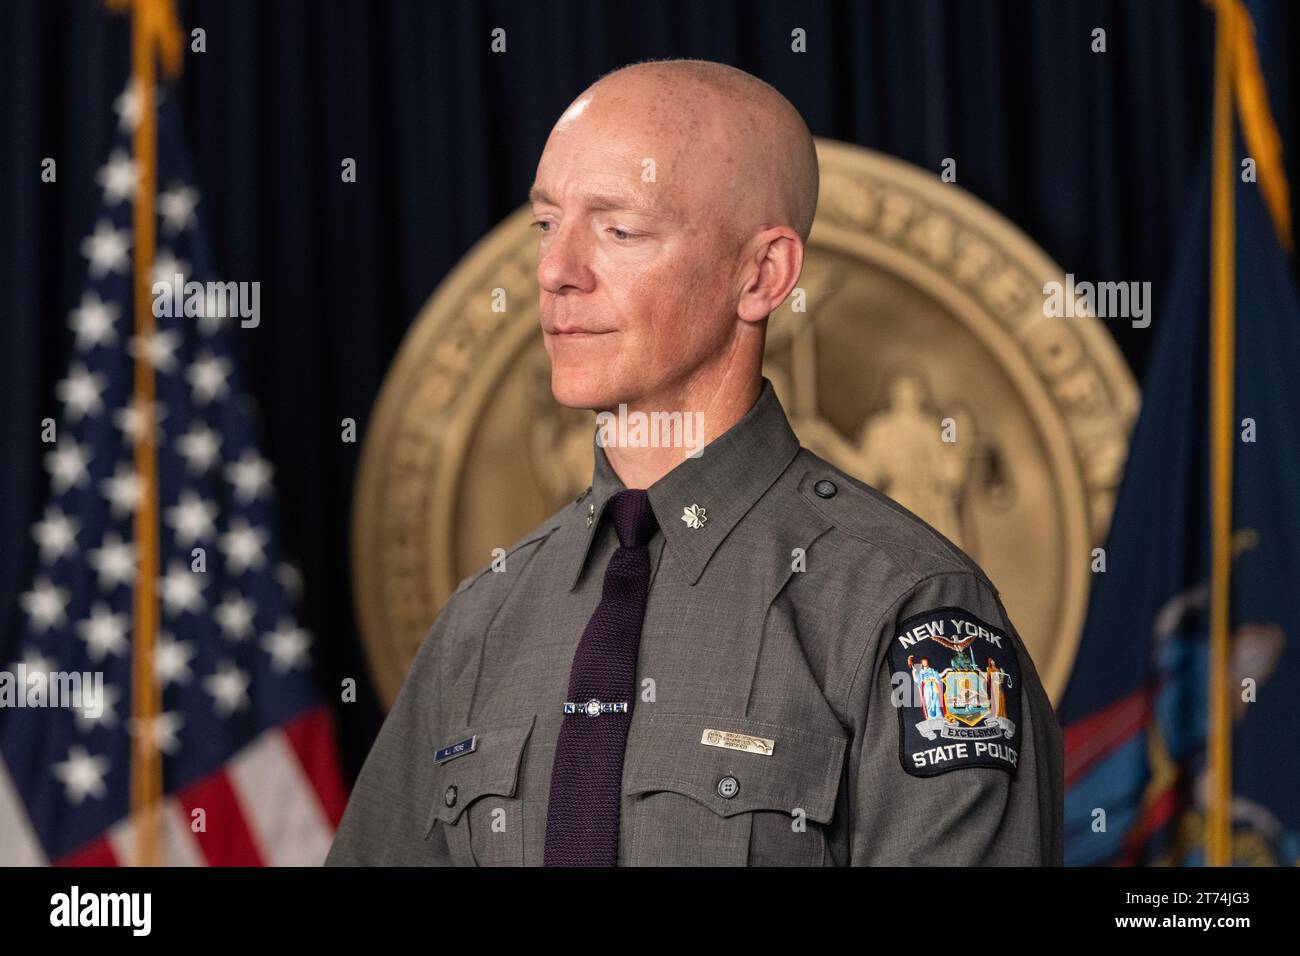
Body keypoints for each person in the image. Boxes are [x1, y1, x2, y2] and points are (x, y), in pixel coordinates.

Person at [325, 57, 1063, 867]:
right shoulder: (482, 622)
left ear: (761, 275)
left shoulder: (910, 613)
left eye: (619, 229)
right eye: (547, 224)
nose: (555, 271)